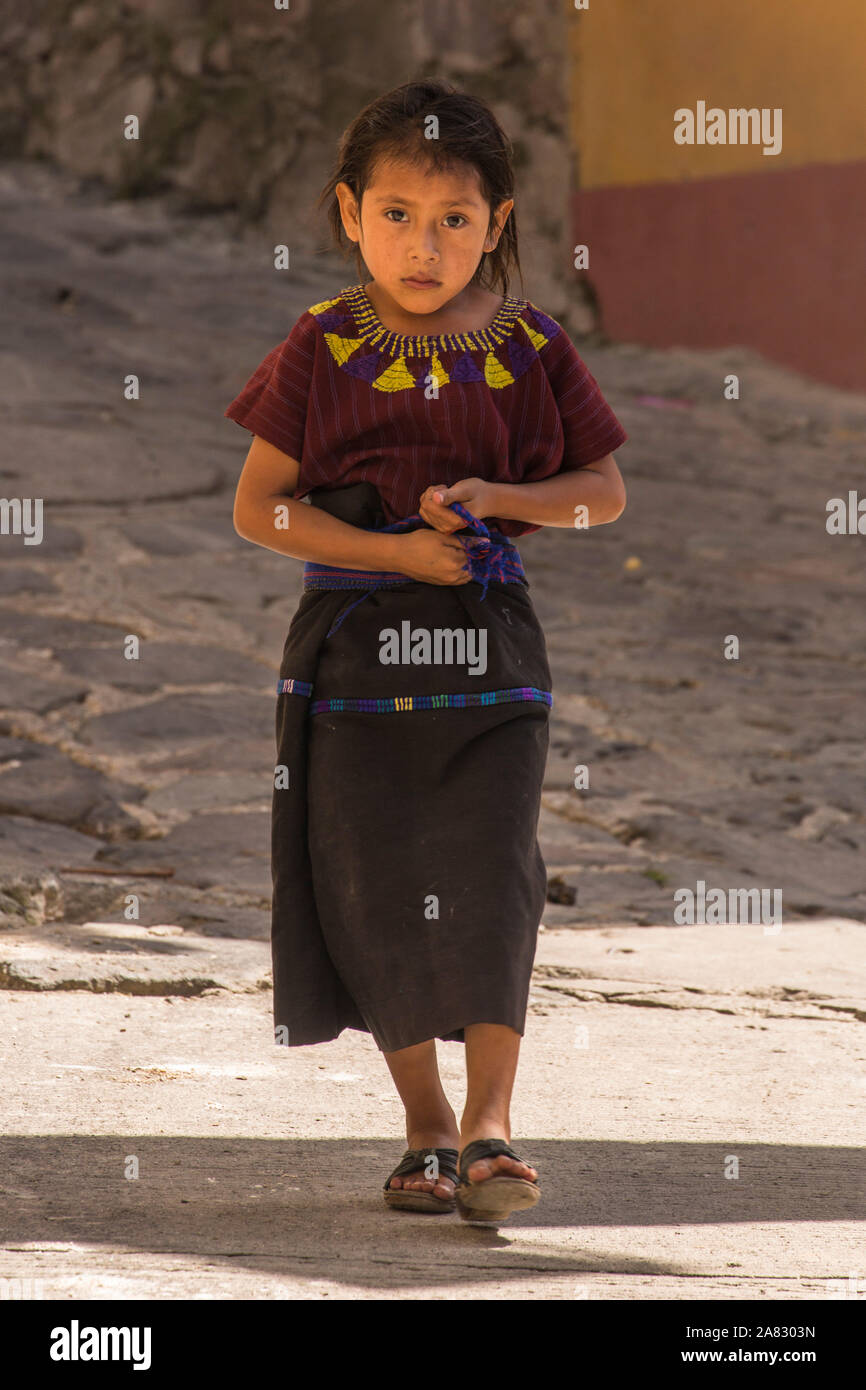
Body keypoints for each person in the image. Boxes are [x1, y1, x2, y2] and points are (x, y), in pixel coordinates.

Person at [225, 79, 628, 1223]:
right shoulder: (319, 347)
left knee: (495, 863)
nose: (423, 244)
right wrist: (394, 557)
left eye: (454, 218)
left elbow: (603, 494)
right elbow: (262, 510)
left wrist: (507, 497)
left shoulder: (531, 348)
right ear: (348, 212)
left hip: (489, 649)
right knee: (375, 881)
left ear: (496, 225)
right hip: (356, 650)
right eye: (396, 214)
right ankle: (426, 1128)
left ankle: (495, 1124)